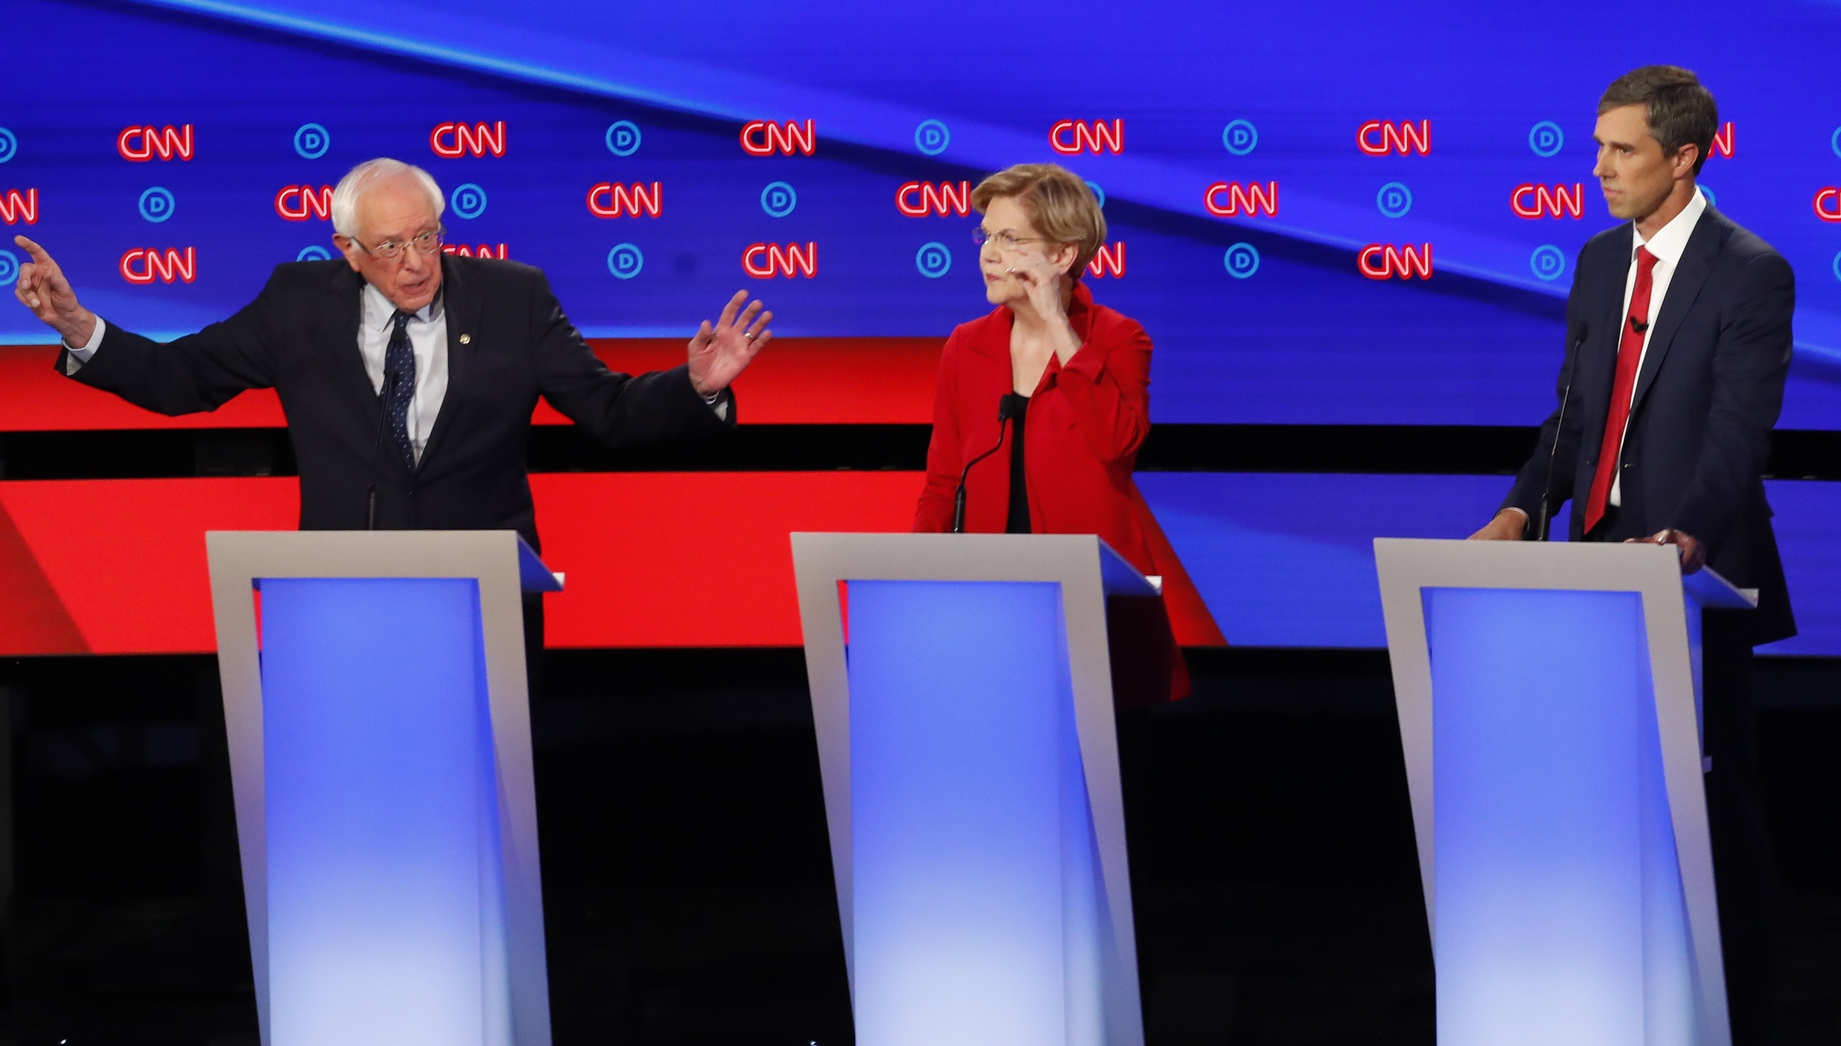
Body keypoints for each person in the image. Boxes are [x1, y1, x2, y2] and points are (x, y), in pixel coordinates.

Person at [1468, 65, 1796, 1046]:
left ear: (1684, 156)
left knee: (1714, 823)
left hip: (1695, 582)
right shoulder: (1603, 261)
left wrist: (1683, 536)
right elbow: (1574, 413)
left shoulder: (1750, 272)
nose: (1599, 170)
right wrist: (1522, 510)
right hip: (1591, 569)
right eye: (1597, 148)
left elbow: (1738, 433)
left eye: (1622, 152)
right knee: (1602, 816)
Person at [11, 157, 769, 554]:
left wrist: (695, 386)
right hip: (345, 591)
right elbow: (182, 380)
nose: (414, 261)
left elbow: (606, 409)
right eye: (390, 245)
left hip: (484, 597)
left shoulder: (514, 297)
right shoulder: (298, 302)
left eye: (427, 236)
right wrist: (80, 326)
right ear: (346, 250)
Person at [911, 162, 1225, 661]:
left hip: (1090, 602)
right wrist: (920, 580)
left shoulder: (1119, 338)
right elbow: (944, 480)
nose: (989, 254)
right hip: (988, 601)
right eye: (986, 235)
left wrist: (1059, 324)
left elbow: (1116, 444)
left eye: (1010, 238)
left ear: (1062, 254)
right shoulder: (966, 345)